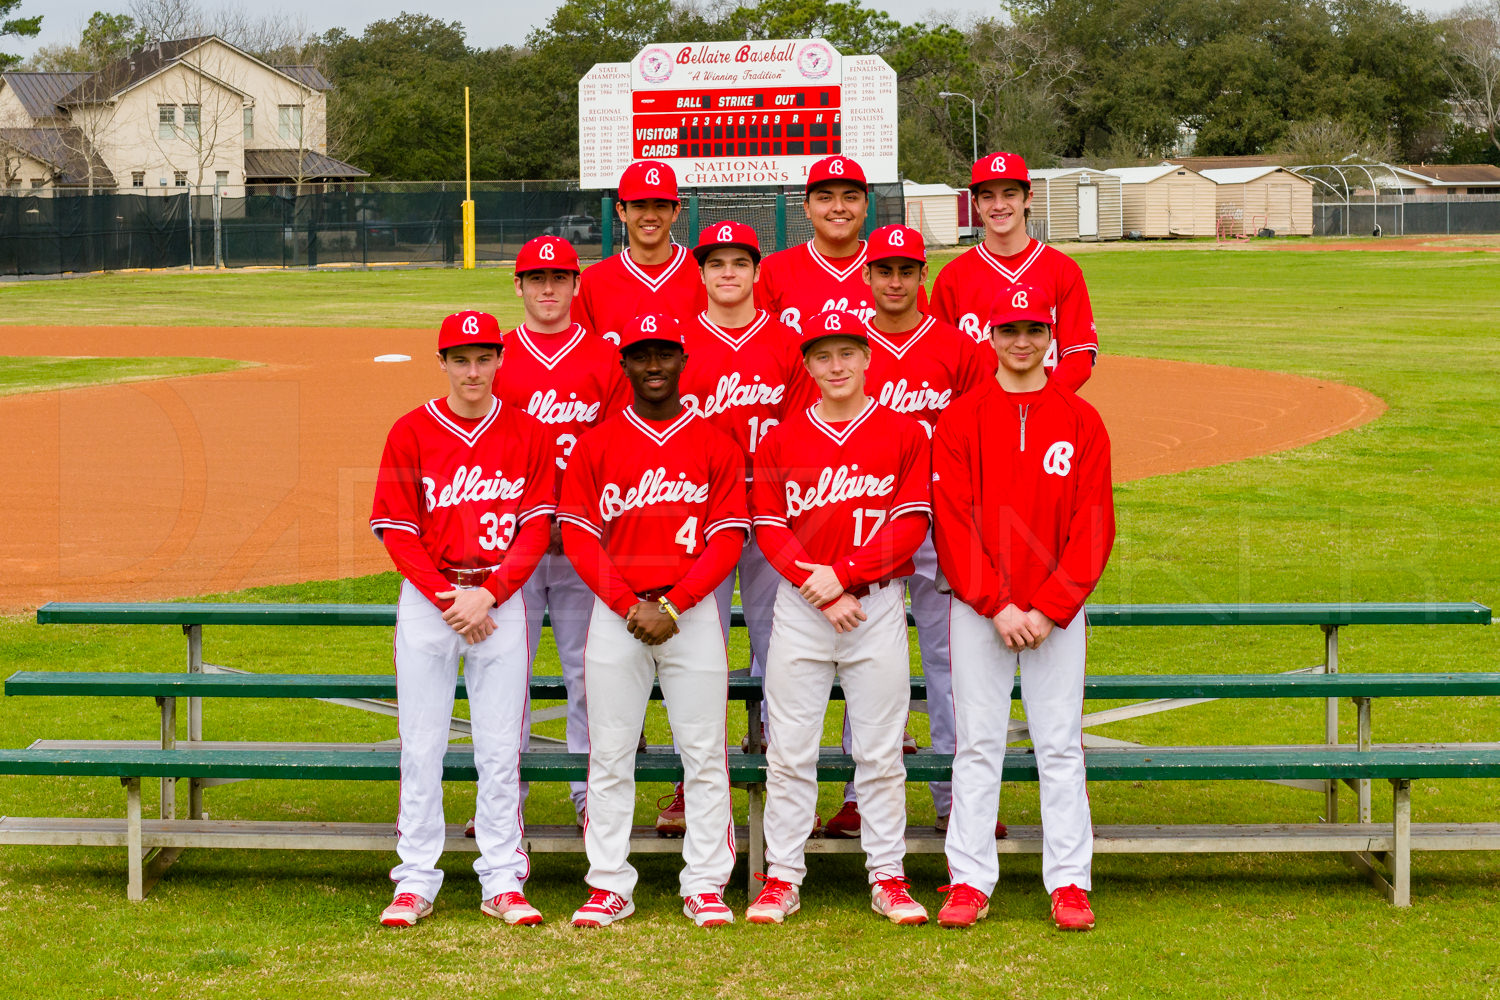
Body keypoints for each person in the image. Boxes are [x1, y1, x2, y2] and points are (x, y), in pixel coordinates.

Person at [929, 282, 1116, 931]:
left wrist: (1047, 607)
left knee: (1059, 745)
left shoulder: (1082, 420)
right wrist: (998, 604)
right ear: (993, 337)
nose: (1022, 341)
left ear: (1051, 338)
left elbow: (1094, 525)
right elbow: (951, 523)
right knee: (977, 746)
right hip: (981, 612)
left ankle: (1069, 882)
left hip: (1053, 616)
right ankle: (969, 881)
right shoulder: (960, 419)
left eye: (1034, 331)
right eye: (1010, 331)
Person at [557, 311, 749, 928]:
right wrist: (627, 604)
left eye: (665, 354)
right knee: (610, 753)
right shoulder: (597, 444)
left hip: (688, 615)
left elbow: (727, 541)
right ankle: (609, 882)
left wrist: (673, 604)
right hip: (619, 616)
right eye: (642, 355)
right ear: (625, 365)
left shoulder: (715, 442)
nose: (654, 366)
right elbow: (581, 539)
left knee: (704, 751)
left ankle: (705, 882)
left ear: (684, 361)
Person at [369, 310, 557, 927]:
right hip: (432, 604)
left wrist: (492, 593)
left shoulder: (528, 433)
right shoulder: (411, 431)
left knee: (501, 746)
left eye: (483, 358)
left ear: (500, 360)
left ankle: (502, 876)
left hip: (500, 603)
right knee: (421, 745)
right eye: (460, 359)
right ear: (442, 362)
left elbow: (536, 528)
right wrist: (451, 599)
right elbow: (396, 531)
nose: (473, 371)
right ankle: (415, 878)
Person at [746, 310, 932, 927]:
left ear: (868, 356)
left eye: (848, 353)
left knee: (881, 752)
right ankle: (782, 876)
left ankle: (888, 875)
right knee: (790, 751)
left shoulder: (903, 433)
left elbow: (910, 526)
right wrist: (821, 587)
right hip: (801, 610)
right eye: (823, 356)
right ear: (807, 365)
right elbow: (770, 526)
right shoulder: (780, 437)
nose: (837, 366)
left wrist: (844, 575)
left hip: (875, 606)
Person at [813, 223, 994, 842]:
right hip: (864, 526)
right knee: (861, 661)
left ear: (924, 277)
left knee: (950, 663)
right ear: (865, 276)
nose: (894, 280)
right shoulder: (844, 347)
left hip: (943, 523)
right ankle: (857, 797)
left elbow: (984, 434)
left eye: (906, 270)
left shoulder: (957, 347)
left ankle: (957, 801)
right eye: (883, 269)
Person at [492, 235, 630, 831]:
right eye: (536, 279)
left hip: (585, 543)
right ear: (518, 286)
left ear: (577, 286)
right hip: (512, 543)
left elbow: (622, 451)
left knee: (585, 671)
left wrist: (574, 520)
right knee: (507, 673)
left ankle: (588, 797)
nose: (548, 289)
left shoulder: (604, 357)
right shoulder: (493, 356)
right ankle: (505, 804)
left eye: (560, 279)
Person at [677, 219, 814, 748]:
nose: (728, 272)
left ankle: (781, 771)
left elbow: (803, 437)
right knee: (696, 650)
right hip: (701, 518)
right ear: (702, 273)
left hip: (773, 517)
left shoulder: (787, 342)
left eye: (740, 262)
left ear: (758, 272)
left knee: (779, 649)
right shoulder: (678, 344)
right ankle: (697, 779)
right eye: (716, 263)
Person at [930, 152, 1098, 392]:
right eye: (988, 196)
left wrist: (1040, 404)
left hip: (1044, 415)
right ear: (976, 203)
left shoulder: (1063, 271)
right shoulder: (952, 278)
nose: (999, 205)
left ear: (1027, 198)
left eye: (1009, 194)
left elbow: (1079, 358)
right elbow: (939, 360)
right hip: (977, 420)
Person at [755, 154, 926, 335]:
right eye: (825, 198)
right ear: (807, 208)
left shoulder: (898, 270)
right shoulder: (772, 271)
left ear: (866, 206)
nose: (838, 207)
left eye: (850, 198)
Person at [574, 160, 706, 344]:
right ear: (622, 211)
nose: (650, 216)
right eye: (639, 205)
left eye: (660, 205)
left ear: (675, 211)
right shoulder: (591, 282)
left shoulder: (706, 274)